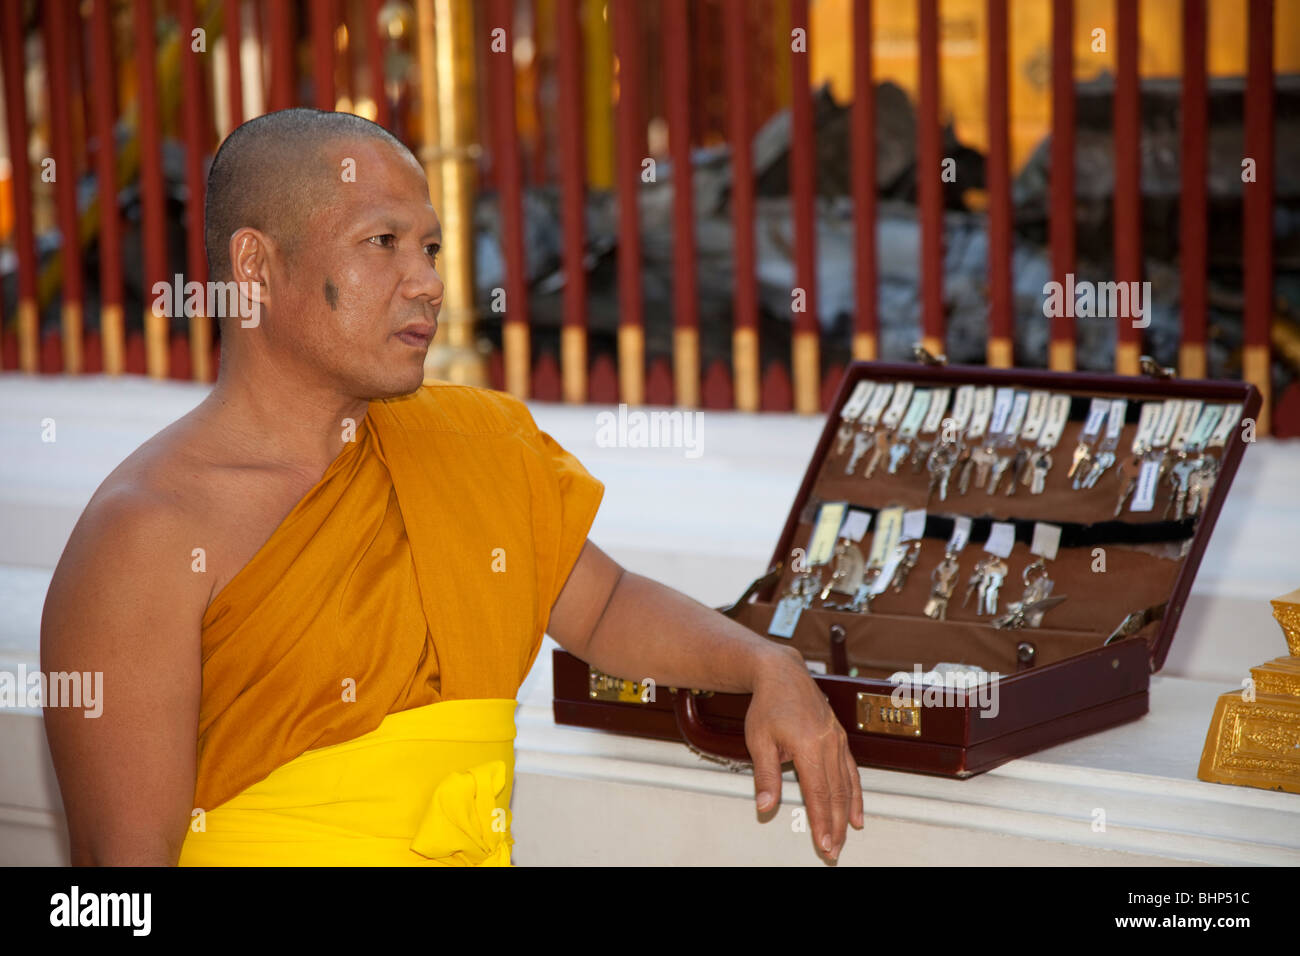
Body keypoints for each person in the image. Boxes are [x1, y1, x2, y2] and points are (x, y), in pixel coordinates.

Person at [40, 108, 863, 866]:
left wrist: (766, 664)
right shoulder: (147, 534)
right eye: (382, 242)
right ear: (255, 264)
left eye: (430, 248)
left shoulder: (471, 446)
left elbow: (603, 607)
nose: (428, 282)